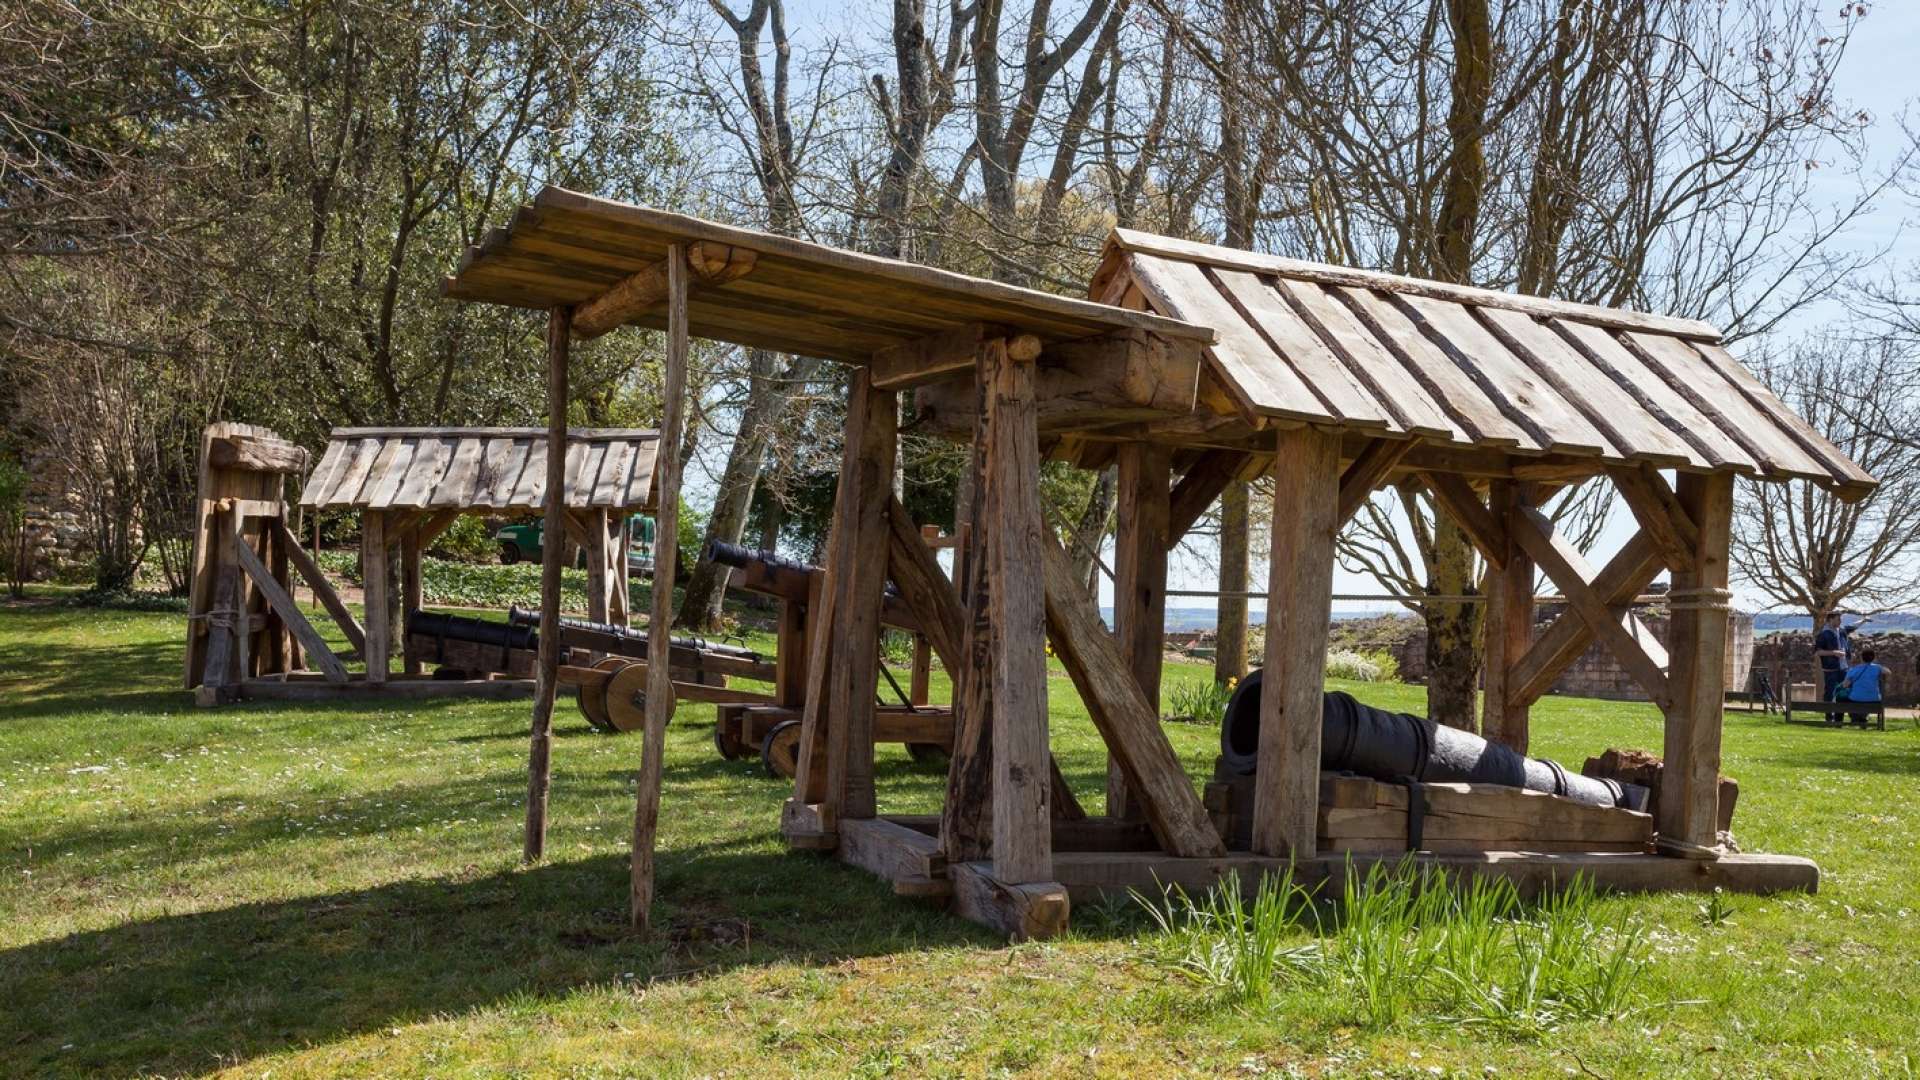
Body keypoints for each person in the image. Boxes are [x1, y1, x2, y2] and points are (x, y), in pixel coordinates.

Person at [1814, 612, 1871, 701]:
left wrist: (1863, 621)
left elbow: (1852, 626)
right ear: (1830, 620)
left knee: (1843, 692)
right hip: (1831, 669)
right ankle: (1829, 714)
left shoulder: (1841, 631)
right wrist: (1834, 653)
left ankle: (1839, 715)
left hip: (1844, 668)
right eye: (1838, 619)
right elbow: (1818, 652)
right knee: (1830, 692)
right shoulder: (1823, 634)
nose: (1840, 621)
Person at [1838, 647, 1890, 728]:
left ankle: (1843, 721)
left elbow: (1845, 685)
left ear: (1861, 658)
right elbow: (1888, 672)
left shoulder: (1854, 669)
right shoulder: (1877, 668)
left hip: (1856, 699)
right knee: (1865, 697)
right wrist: (1878, 666)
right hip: (1874, 700)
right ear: (1873, 658)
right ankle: (1861, 718)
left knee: (1841, 698)